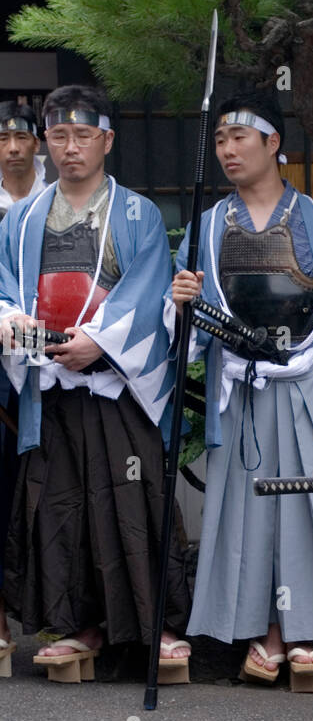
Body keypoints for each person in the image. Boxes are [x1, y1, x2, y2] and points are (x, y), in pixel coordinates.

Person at [169, 89, 313, 687]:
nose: (228, 150)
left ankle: (303, 631)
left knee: (306, 500)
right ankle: (258, 628)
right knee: (245, 509)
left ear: (273, 143)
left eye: (240, 138)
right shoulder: (207, 227)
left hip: (304, 380)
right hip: (240, 388)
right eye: (220, 141)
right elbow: (187, 321)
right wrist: (179, 304)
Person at [0, 84, 190, 676]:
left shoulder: (137, 213)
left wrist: (98, 343)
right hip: (50, 381)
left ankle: (153, 624)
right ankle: (82, 625)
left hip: (115, 385)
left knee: (131, 500)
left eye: (84, 135)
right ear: (45, 143)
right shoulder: (23, 218)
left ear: (107, 139)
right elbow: (6, 290)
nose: (70, 147)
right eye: (59, 135)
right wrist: (21, 328)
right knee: (63, 504)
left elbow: (147, 290)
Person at [0, 100, 49, 657]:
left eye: (22, 138)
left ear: (38, 143)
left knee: (48, 484)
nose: (13, 148)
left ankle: (52, 607)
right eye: (3, 139)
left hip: (52, 356)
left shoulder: (60, 200)